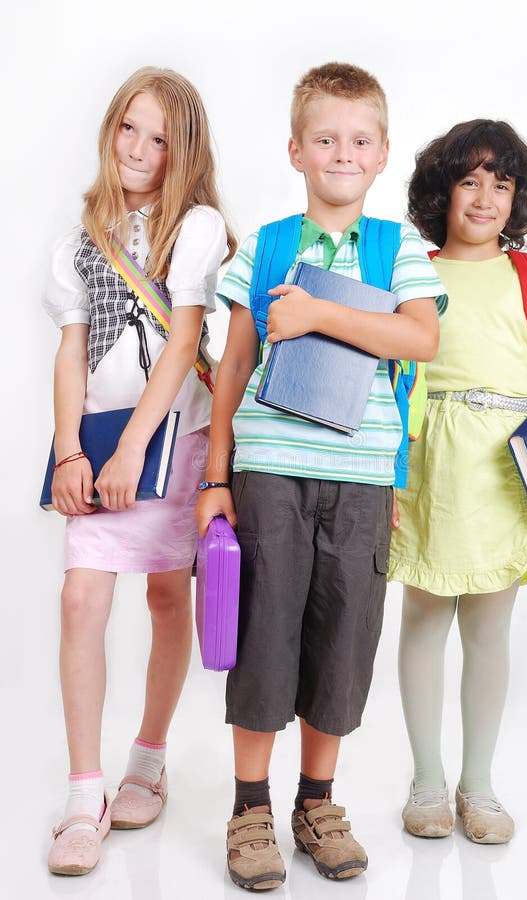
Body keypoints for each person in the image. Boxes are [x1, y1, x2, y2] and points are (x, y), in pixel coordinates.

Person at [195, 61, 444, 890]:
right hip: (269, 473)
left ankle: (317, 801)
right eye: (326, 138)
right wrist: (214, 481)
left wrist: (319, 314)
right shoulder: (265, 248)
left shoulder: (396, 246)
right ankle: (250, 808)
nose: (344, 151)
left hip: (362, 476)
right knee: (264, 636)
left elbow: (419, 339)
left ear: (382, 156)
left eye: (360, 139)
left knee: (342, 641)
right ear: (296, 150)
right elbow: (231, 369)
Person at [43, 66, 235, 876]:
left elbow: (185, 344)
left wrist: (132, 451)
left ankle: (148, 757)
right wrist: (70, 449)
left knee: (164, 591)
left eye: (160, 138)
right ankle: (84, 790)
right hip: (97, 439)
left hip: (168, 440)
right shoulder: (80, 237)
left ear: (181, 152)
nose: (139, 148)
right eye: (130, 127)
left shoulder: (194, 225)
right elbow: (70, 351)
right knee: (82, 596)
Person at [389, 119, 527, 844]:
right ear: (440, 191)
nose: (483, 197)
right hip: (429, 461)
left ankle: (475, 786)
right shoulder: (408, 272)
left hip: (507, 469)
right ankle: (424, 781)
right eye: (468, 180)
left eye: (500, 183)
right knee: (423, 620)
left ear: (519, 197)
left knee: (487, 629)